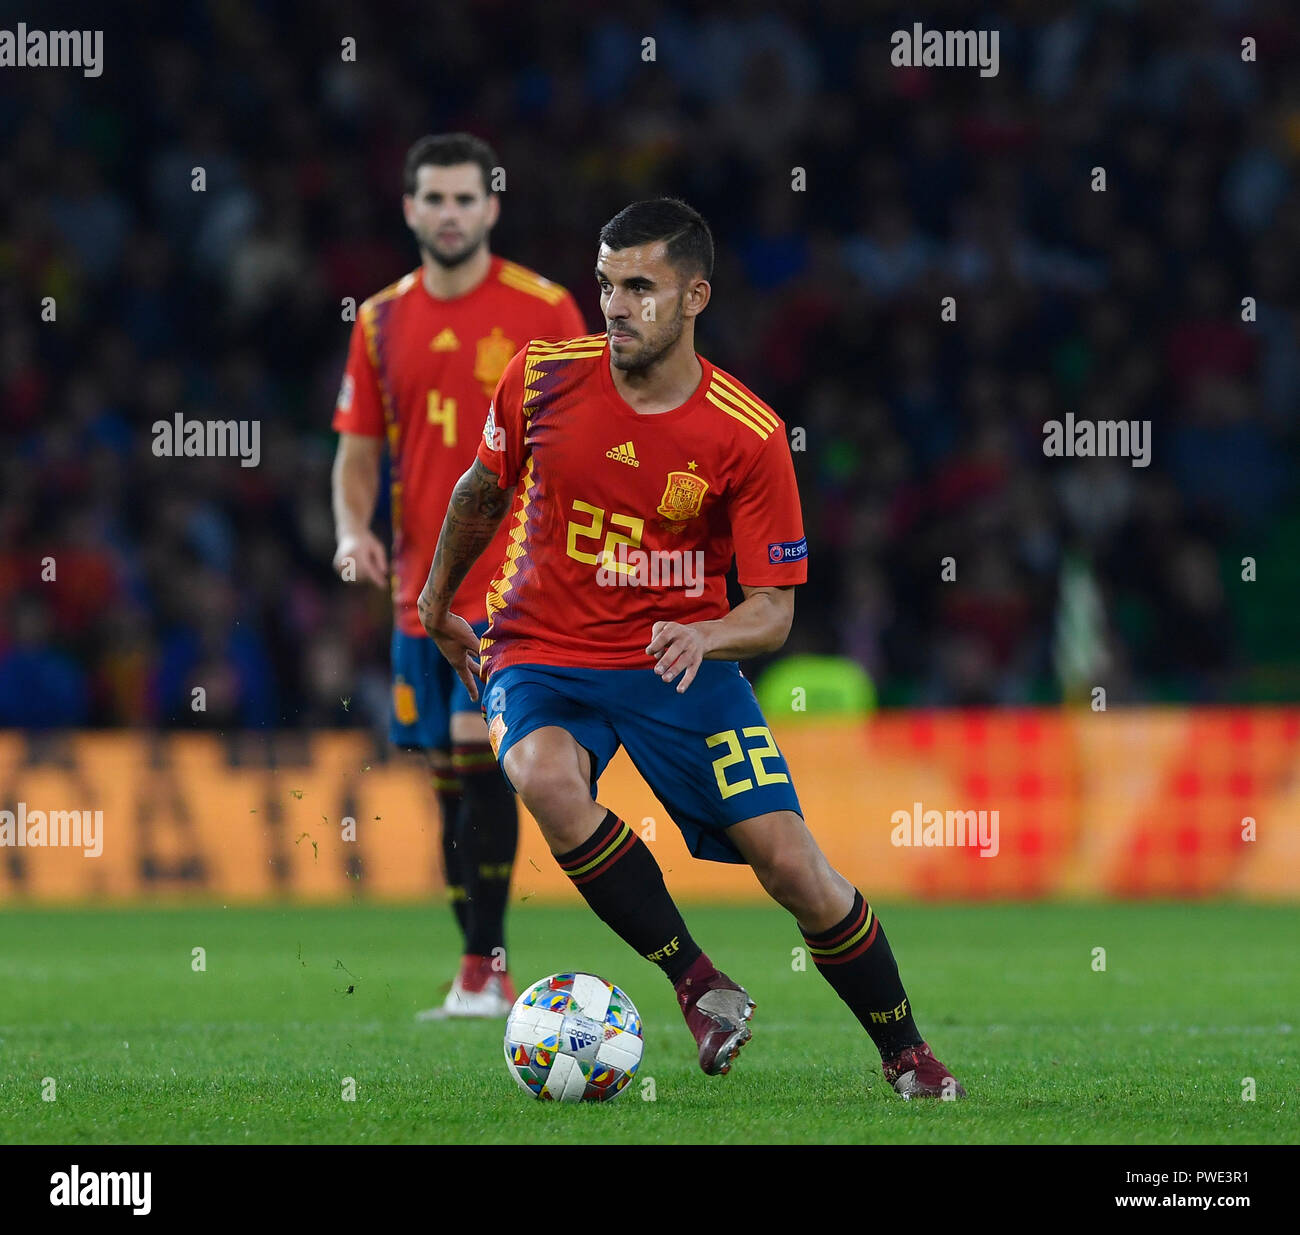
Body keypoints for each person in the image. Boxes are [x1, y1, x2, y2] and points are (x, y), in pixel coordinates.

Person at [417, 198, 964, 1097]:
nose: (616, 306)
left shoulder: (746, 434)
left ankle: (907, 1051)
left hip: (678, 666)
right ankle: (695, 980)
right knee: (545, 778)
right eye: (605, 285)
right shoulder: (541, 377)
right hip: (540, 648)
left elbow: (773, 611)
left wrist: (707, 631)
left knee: (793, 866)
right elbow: (481, 489)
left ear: (694, 296)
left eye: (640, 286)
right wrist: (438, 603)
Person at [331, 133, 586, 1018]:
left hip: (512, 591)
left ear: (492, 207)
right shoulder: (377, 320)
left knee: (483, 765)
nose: (448, 214)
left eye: (463, 199)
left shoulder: (547, 309)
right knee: (446, 783)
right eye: (432, 199)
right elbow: (358, 450)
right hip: (417, 594)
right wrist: (349, 528)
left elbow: (586, 440)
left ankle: (488, 967)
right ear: (409, 208)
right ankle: (476, 965)